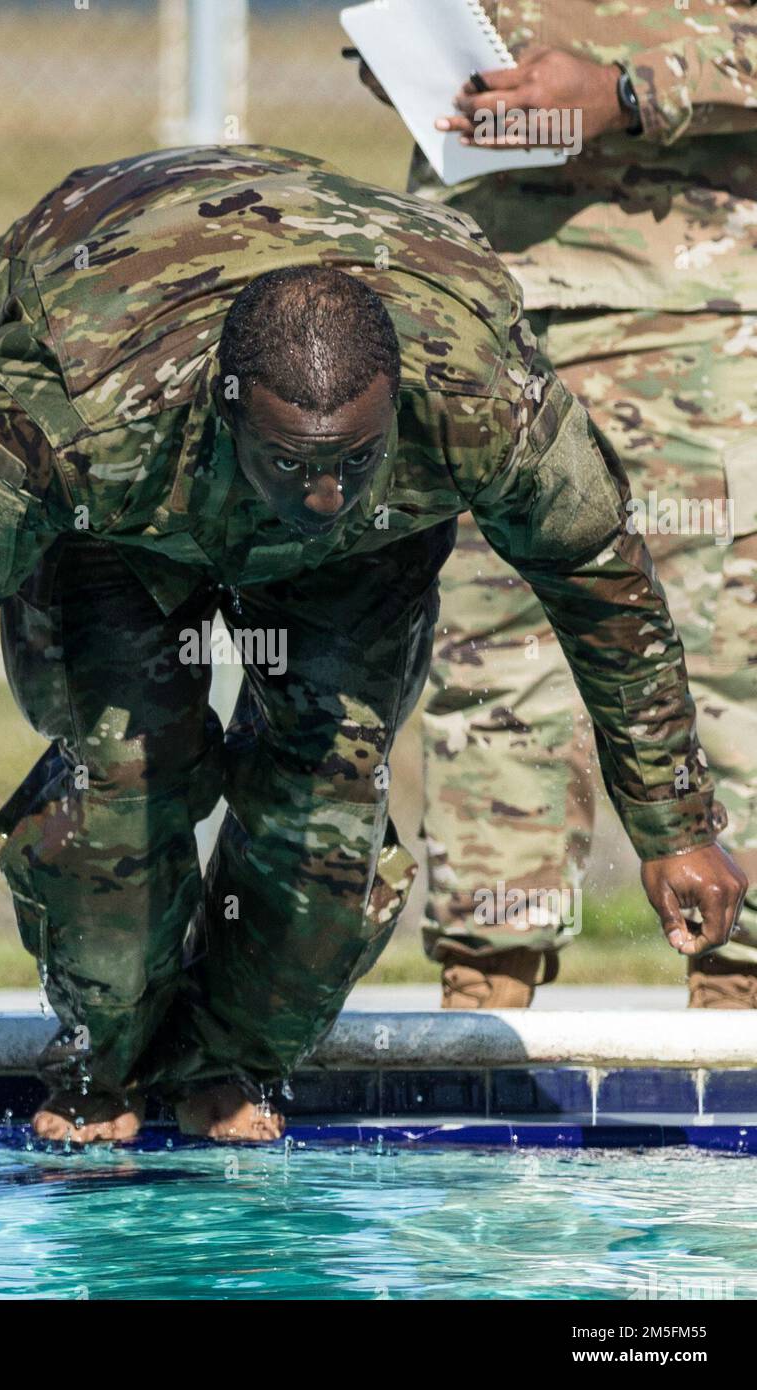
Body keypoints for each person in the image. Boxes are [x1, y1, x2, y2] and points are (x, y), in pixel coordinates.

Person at [0, 145, 745, 1143]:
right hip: (117, 507)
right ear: (224, 410)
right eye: (293, 460)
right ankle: (102, 1058)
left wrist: (671, 819)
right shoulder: (72, 418)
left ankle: (227, 1060)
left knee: (329, 808)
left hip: (362, 551)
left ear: (394, 404)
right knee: (125, 777)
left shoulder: (484, 407)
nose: (321, 495)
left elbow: (603, 586)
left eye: (353, 458)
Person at [359, 1, 757, 1007]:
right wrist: (433, 82)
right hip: (488, 300)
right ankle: (485, 1019)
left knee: (723, 666)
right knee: (491, 668)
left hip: (692, 309)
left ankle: (737, 997)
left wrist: (627, 93)